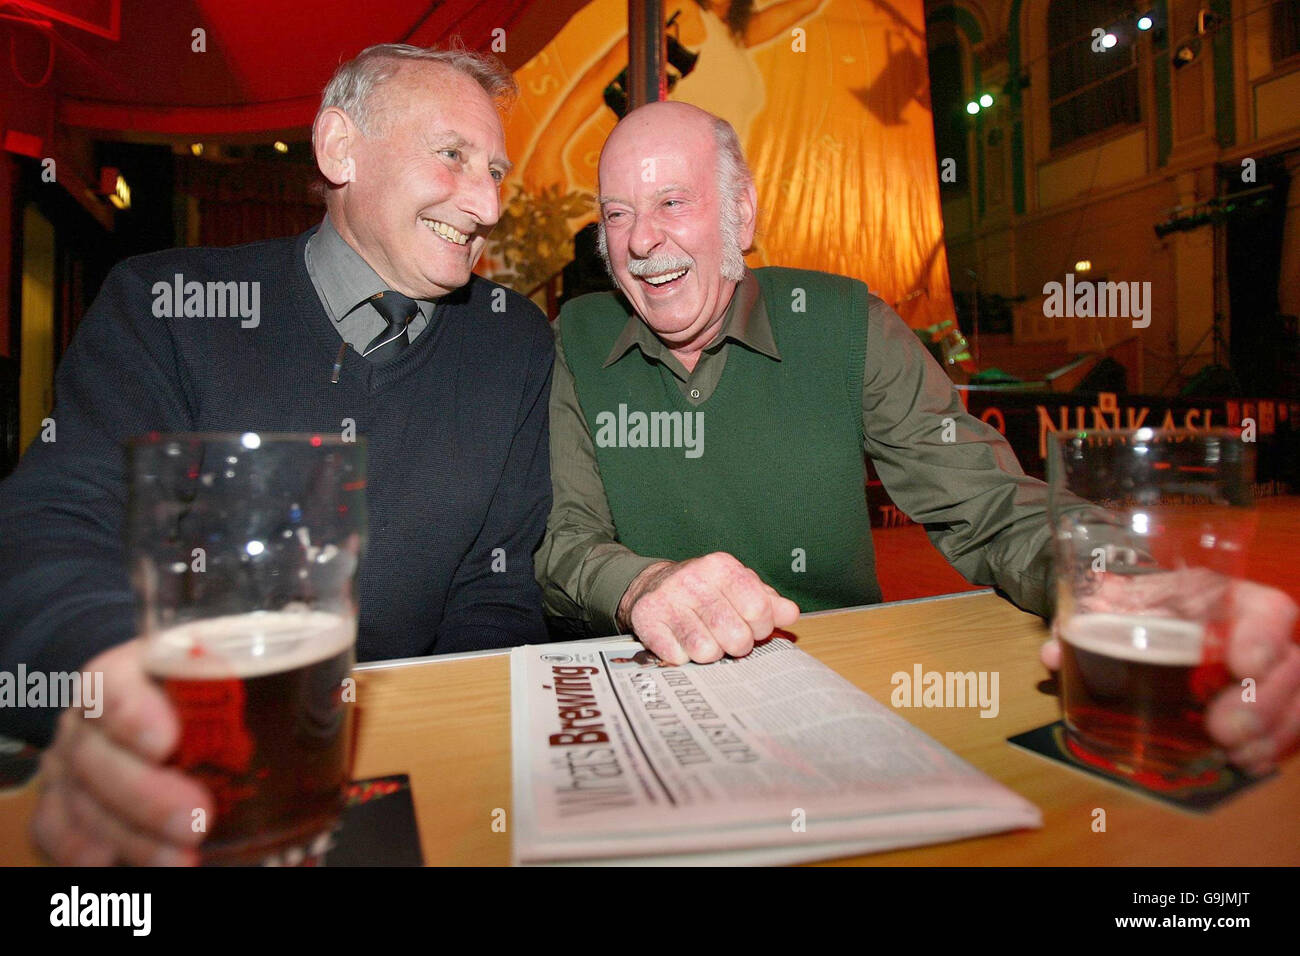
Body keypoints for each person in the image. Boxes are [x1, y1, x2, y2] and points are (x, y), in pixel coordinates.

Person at [535, 100, 1300, 777]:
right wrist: (640, 586)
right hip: (645, 699)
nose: (642, 241)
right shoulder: (574, 336)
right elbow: (563, 541)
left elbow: (993, 506)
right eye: (617, 213)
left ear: (742, 211)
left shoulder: (844, 325)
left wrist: (1122, 580)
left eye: (672, 201)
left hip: (836, 700)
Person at [0, 44, 554, 865]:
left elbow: (496, 588)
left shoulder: (514, 343)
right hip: (191, 778)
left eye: (498, 171)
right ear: (339, 148)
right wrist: (126, 695)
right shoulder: (166, 308)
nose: (486, 204)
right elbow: (49, 527)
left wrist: (445, 767)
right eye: (453, 156)